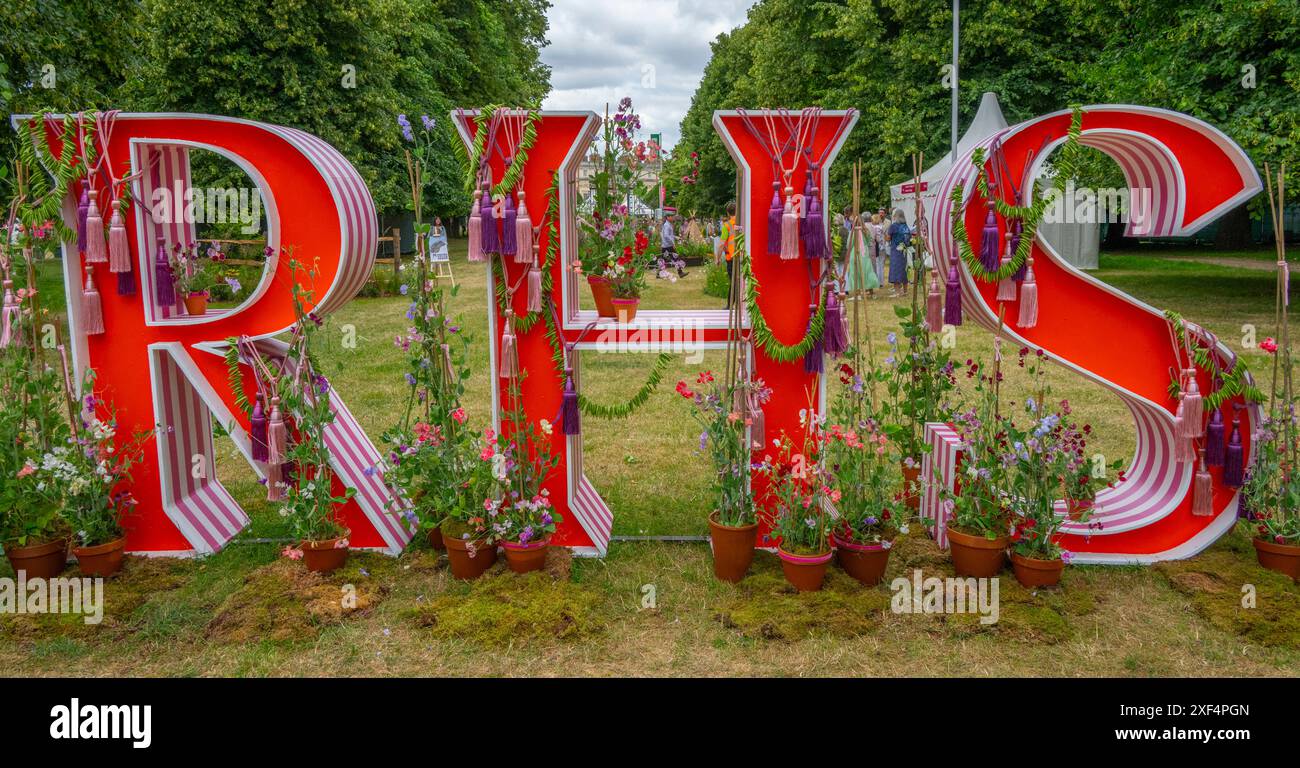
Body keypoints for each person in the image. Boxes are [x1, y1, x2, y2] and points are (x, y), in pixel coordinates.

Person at [887, 208, 912, 297]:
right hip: (904, 251)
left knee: (895, 269)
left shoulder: (894, 226)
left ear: (895, 216)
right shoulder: (906, 226)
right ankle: (905, 291)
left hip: (895, 250)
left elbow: (888, 238)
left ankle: (897, 292)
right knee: (904, 270)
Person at [721, 201, 737, 308]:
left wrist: (717, 259)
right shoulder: (742, 223)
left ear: (727, 213)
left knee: (733, 282)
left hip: (731, 257)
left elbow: (721, 244)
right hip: (741, 257)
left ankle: (729, 305)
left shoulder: (726, 225)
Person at [661, 208, 685, 278]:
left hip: (666, 246)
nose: (673, 218)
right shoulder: (667, 225)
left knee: (663, 260)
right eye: (672, 216)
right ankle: (680, 273)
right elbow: (666, 236)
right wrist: (673, 243)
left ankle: (658, 274)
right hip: (668, 246)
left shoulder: (668, 224)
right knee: (676, 258)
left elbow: (669, 235)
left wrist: (676, 237)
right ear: (668, 217)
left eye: (673, 216)